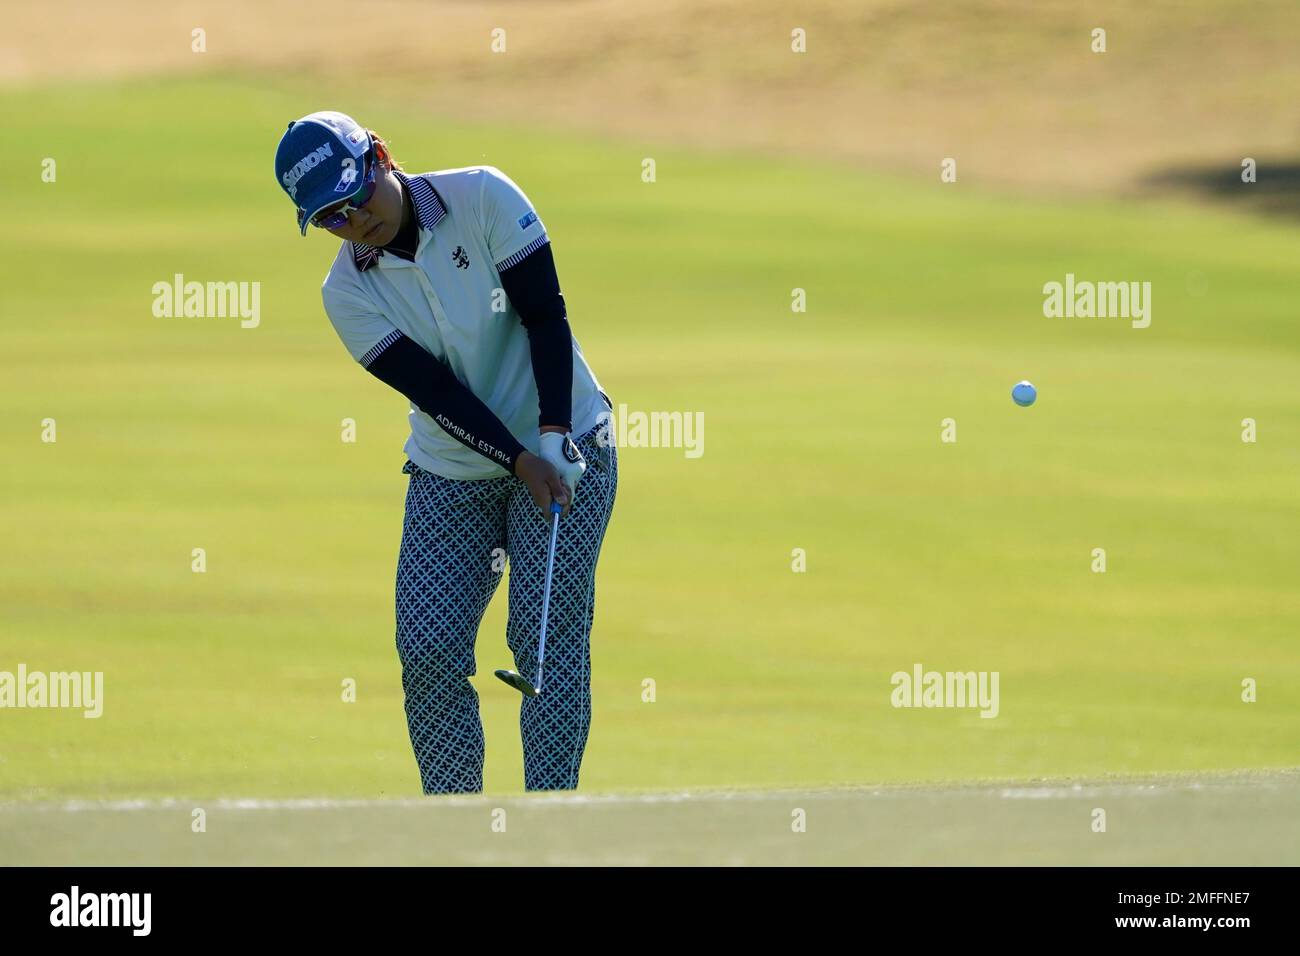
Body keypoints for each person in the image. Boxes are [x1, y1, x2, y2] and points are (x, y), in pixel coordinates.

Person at [274, 111, 618, 793]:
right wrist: (518, 458)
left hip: (569, 439)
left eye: (356, 197)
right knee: (428, 650)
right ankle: (456, 832)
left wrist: (550, 438)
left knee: (543, 644)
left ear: (381, 157)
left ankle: (546, 828)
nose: (353, 221)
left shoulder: (484, 197)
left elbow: (544, 317)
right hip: (453, 468)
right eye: (332, 219)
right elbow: (434, 390)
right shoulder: (346, 292)